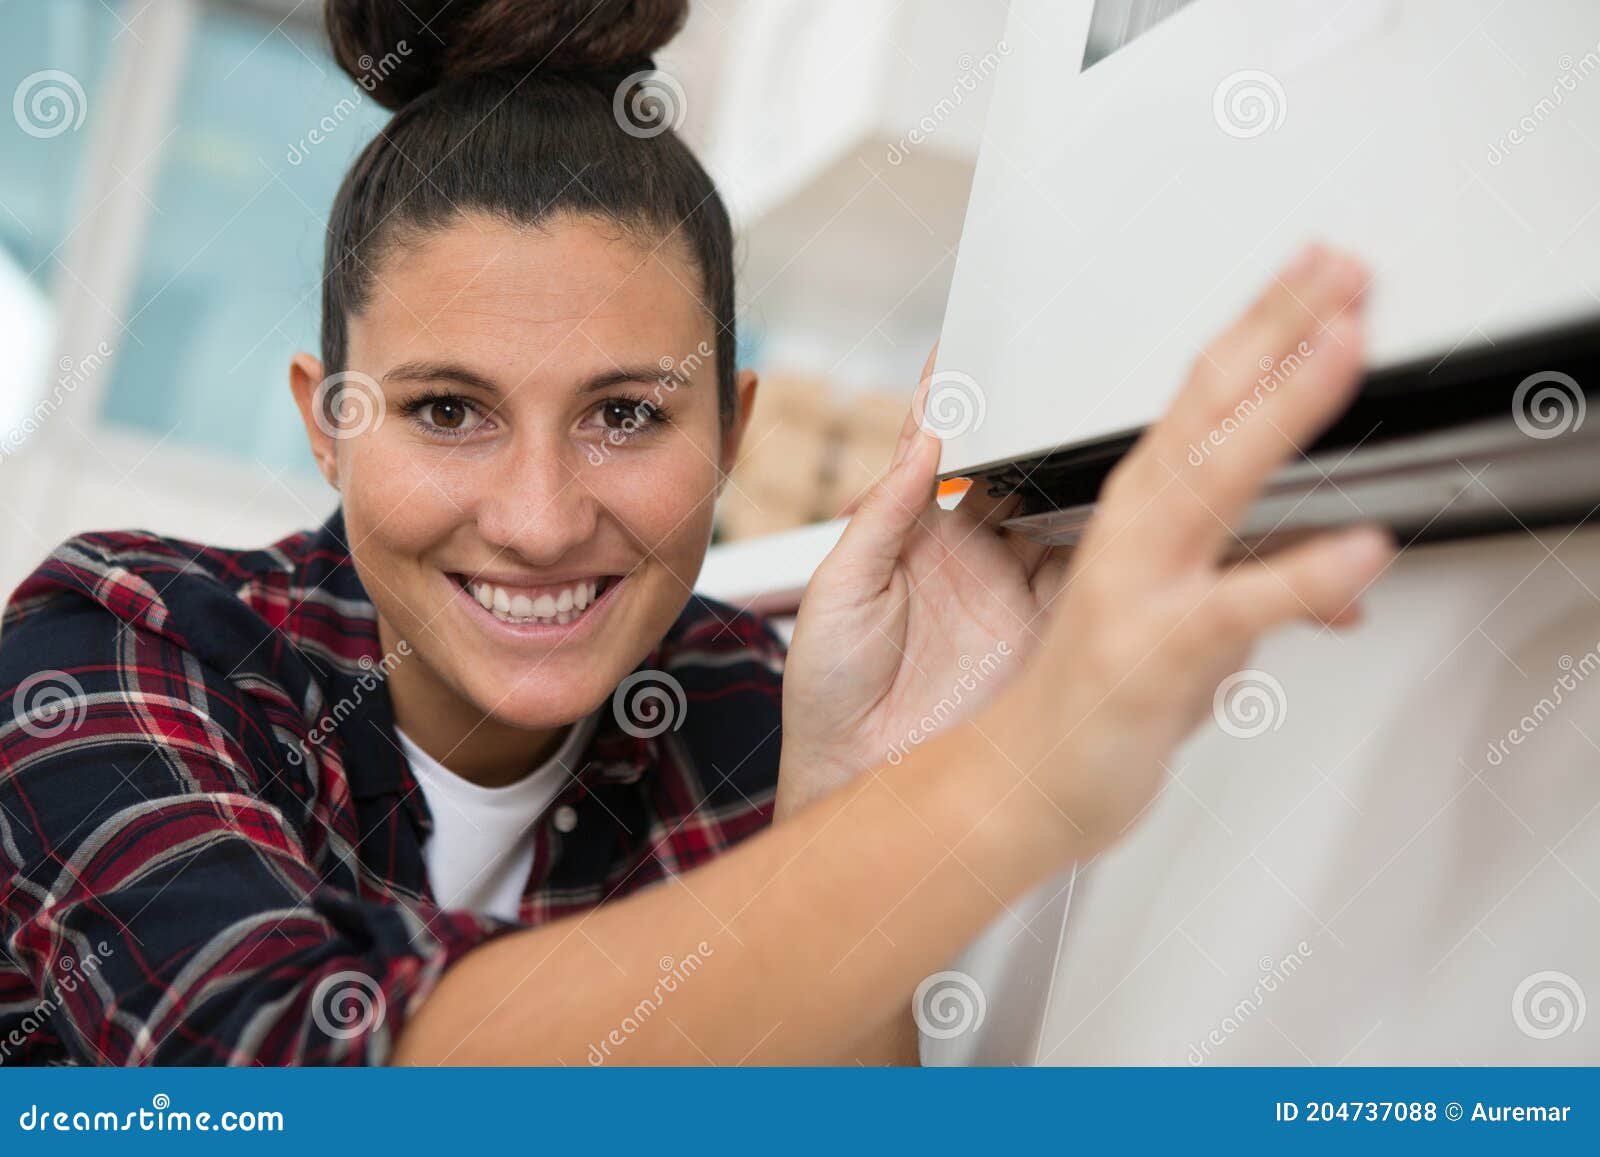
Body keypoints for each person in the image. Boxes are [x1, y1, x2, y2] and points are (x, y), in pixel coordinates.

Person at [0, 0, 1390, 1066]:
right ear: (327, 420)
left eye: (623, 414)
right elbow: (279, 1076)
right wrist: (1004, 792)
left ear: (728, 428)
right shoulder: (112, 644)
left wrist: (843, 799)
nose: (541, 519)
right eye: (445, 410)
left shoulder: (749, 708)